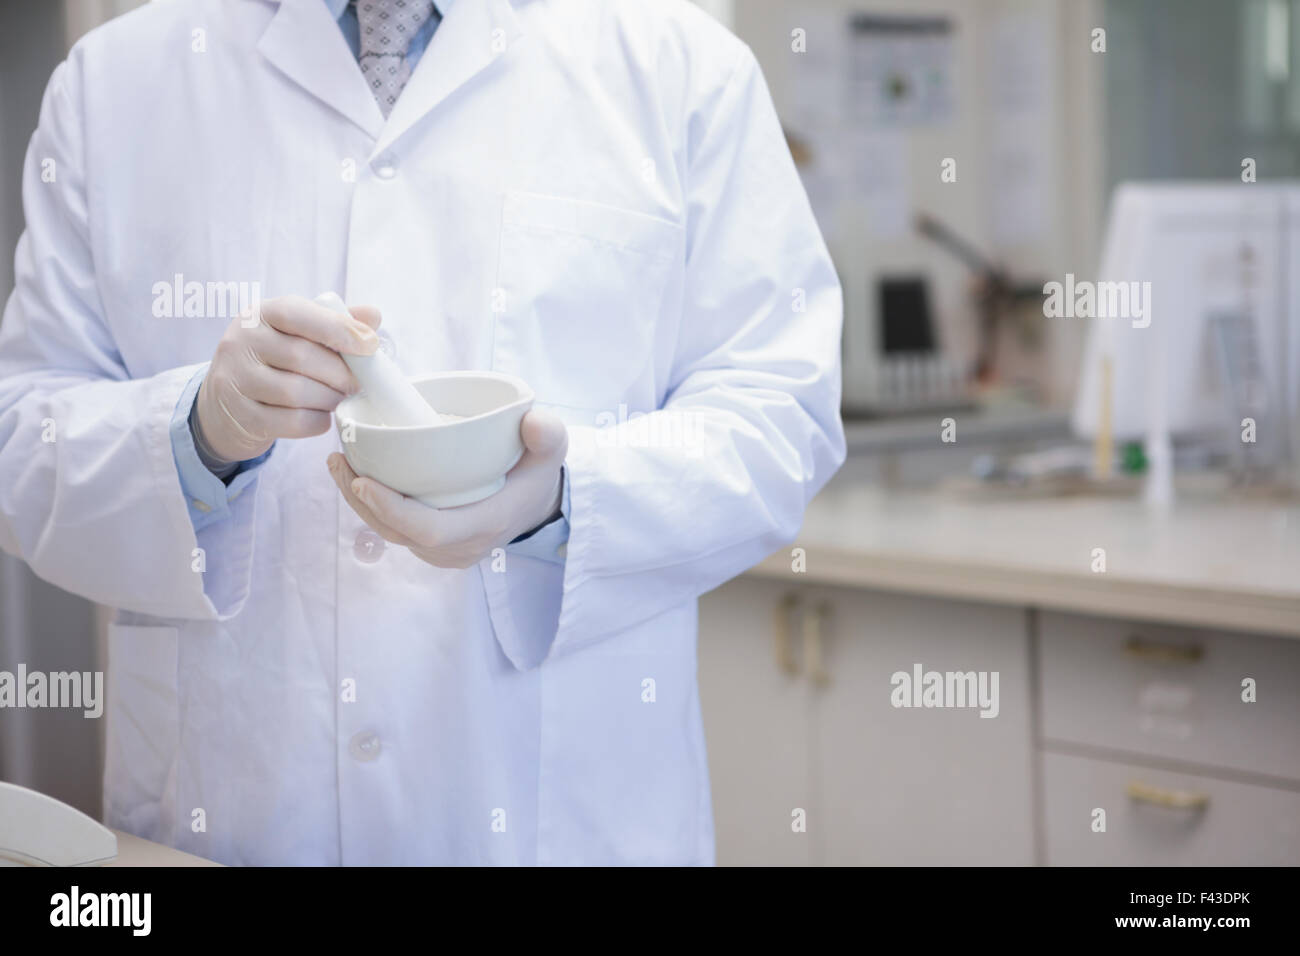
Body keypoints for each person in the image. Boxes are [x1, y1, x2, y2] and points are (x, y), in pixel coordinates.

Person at [0, 0, 844, 865]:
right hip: (236, 821)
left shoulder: (679, 66)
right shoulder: (114, 85)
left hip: (561, 821)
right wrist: (196, 433)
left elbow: (781, 416)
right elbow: (22, 442)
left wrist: (561, 497)